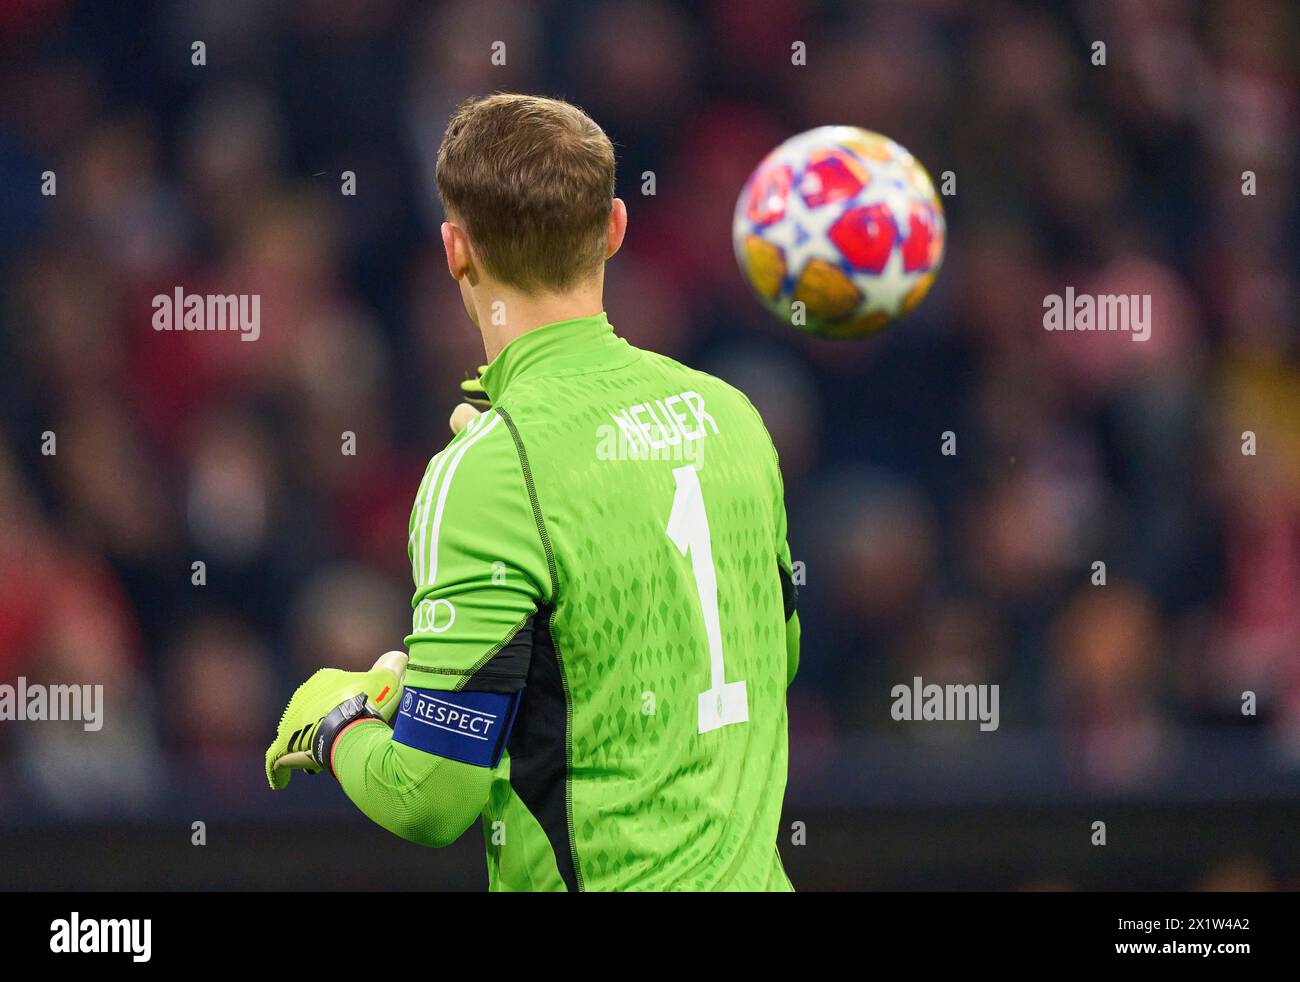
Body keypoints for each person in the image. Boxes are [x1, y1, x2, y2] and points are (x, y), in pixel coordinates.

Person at [266, 93, 800, 891]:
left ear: (455, 249)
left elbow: (429, 797)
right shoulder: (732, 415)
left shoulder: (486, 471)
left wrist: (338, 718)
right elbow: (772, 655)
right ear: (615, 227)